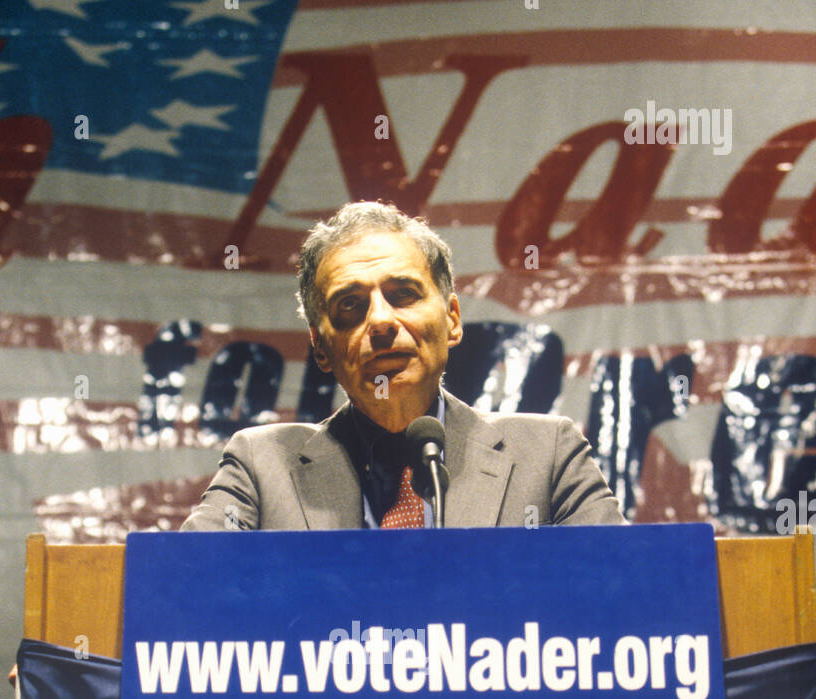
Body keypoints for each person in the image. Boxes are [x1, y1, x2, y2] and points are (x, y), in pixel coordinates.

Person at [181, 202, 625, 531]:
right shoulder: (262, 466)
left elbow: (626, 596)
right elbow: (185, 591)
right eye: (350, 305)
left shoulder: (547, 455)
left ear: (452, 318)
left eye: (403, 294)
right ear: (320, 347)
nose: (380, 321)